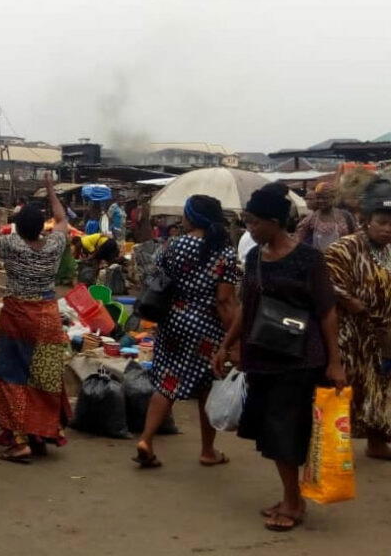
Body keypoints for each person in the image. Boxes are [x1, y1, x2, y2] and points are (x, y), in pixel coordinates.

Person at [214, 183, 345, 533]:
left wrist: (335, 362)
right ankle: (292, 496)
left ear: (275, 222)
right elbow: (247, 307)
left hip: (300, 360)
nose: (250, 228)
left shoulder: (309, 259)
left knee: (285, 431)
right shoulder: (255, 258)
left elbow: (327, 312)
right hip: (263, 356)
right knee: (270, 431)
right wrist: (227, 345)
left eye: (254, 222)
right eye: (247, 221)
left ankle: (293, 503)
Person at [0, 174, 71, 463]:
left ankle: (19, 441)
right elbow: (61, 218)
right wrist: (50, 190)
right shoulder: (55, 244)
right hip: (48, 317)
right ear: (42, 227)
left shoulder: (12, 245)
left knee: (12, 377)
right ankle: (41, 433)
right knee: (44, 377)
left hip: (18, 317)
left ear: (17, 227)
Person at [133, 196, 239, 468]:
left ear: (192, 217)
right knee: (207, 386)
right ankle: (208, 451)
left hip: (172, 320)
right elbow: (225, 300)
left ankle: (146, 439)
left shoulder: (173, 245)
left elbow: (154, 278)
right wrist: (235, 339)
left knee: (167, 382)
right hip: (206, 326)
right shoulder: (224, 251)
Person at [324, 178, 391, 460]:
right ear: (366, 220)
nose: (388, 229)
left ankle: (376, 442)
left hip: (382, 336)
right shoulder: (344, 248)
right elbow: (330, 283)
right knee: (346, 389)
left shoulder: (388, 251)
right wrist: (358, 307)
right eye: (382, 222)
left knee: (380, 389)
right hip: (350, 334)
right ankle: (332, 450)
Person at [296, 182, 358, 251]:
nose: (320, 201)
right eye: (318, 198)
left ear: (333, 198)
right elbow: (298, 239)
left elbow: (356, 237)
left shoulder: (345, 216)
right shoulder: (311, 218)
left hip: (342, 256)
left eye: (324, 198)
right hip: (319, 257)